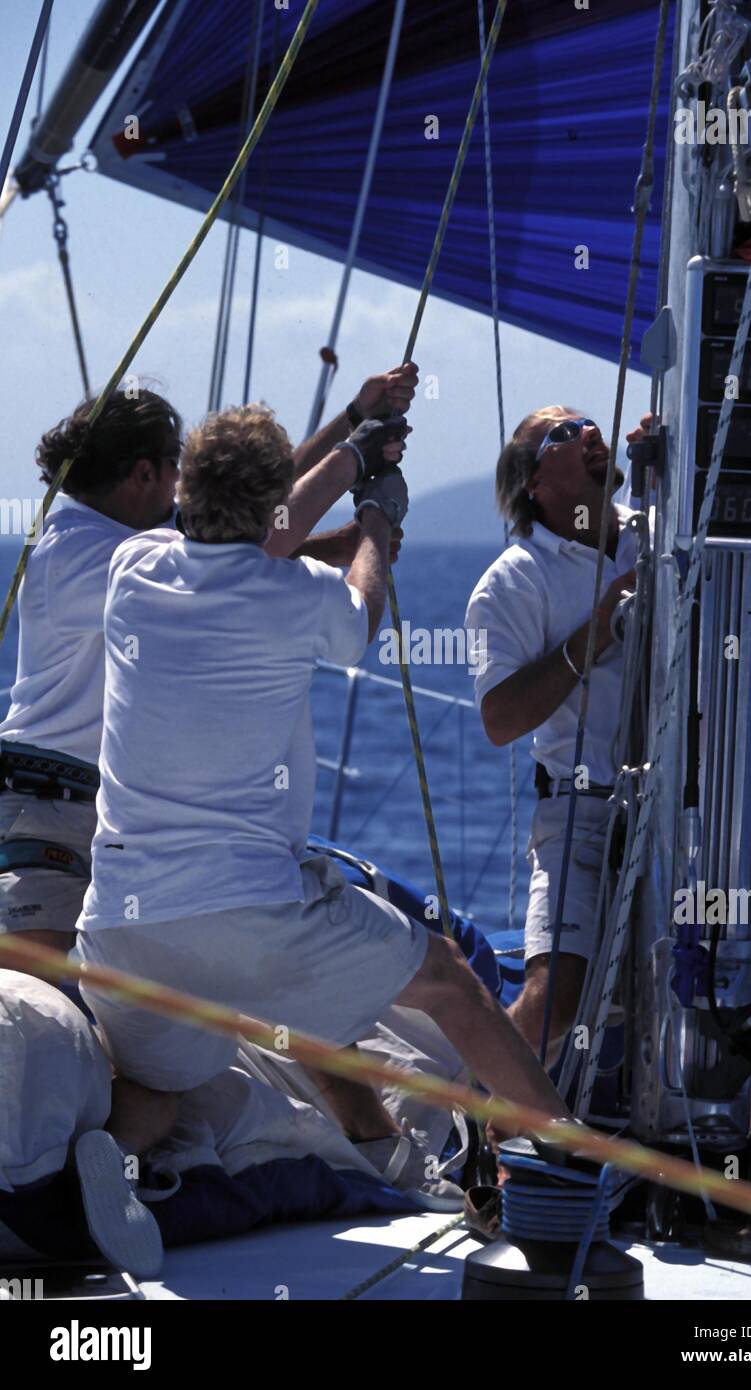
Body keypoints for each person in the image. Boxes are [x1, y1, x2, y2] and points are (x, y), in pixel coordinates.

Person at [74, 401, 570, 1219]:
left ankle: (110, 1166)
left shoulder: (134, 567)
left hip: (124, 928)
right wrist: (378, 516)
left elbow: (247, 536)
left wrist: (348, 456)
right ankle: (571, 1163)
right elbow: (359, 614)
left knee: (156, 1088)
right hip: (248, 912)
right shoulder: (299, 594)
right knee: (449, 981)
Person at [465, 405, 751, 1127]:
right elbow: (501, 719)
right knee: (555, 1002)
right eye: (565, 434)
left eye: (590, 423)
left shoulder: (660, 531)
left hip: (691, 816)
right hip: (583, 820)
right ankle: (477, 1137)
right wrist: (594, 633)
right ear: (533, 482)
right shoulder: (512, 583)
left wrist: (674, 456)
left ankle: (710, 1144)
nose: (590, 434)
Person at [0, 367, 415, 970]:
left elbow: (246, 509)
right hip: (51, 814)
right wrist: (355, 492)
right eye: (177, 469)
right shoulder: (80, 550)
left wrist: (353, 417)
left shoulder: (133, 536)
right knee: (46, 1016)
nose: (185, 487)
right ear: (145, 472)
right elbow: (244, 545)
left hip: (115, 823)